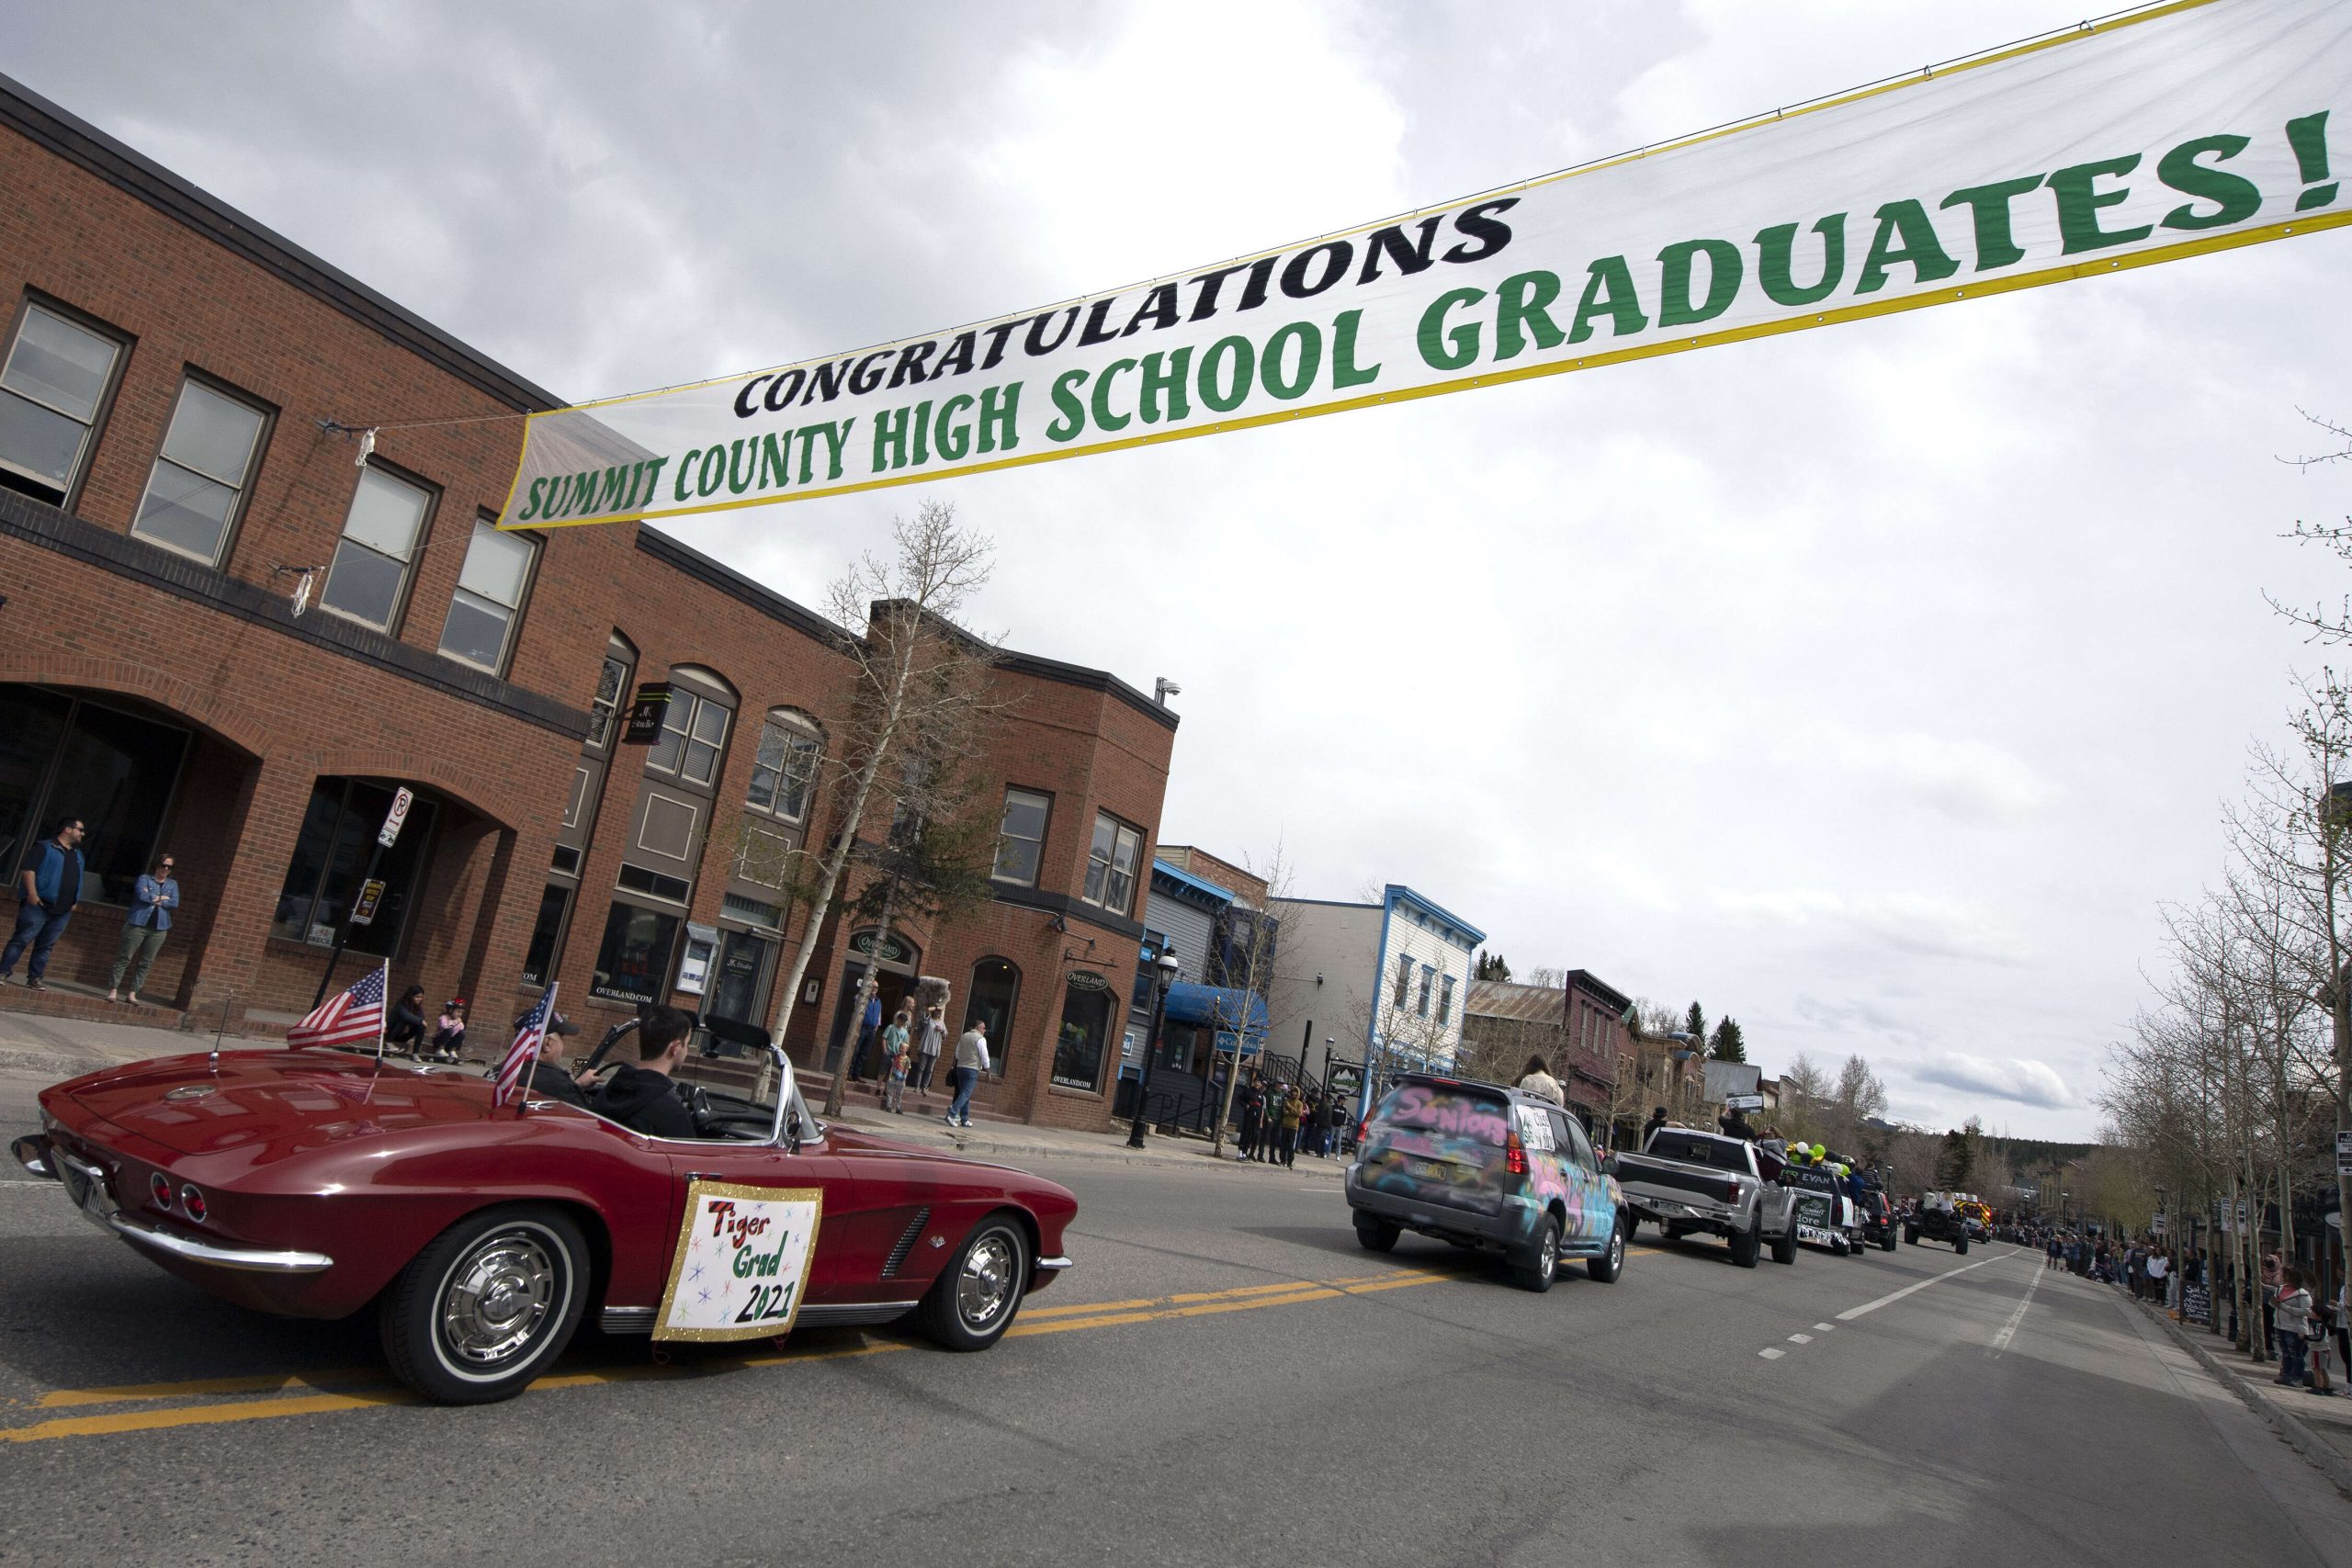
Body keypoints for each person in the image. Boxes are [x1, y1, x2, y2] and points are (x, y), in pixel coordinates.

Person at [2, 816, 85, 991]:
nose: (82, 834)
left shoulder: (77, 855)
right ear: (68, 829)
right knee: (20, 940)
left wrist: (75, 900)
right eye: (80, 830)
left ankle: (35, 978)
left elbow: (78, 879)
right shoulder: (45, 847)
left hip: (62, 910)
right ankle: (2, 972)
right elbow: (28, 870)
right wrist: (32, 894)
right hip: (39, 905)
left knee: (46, 946)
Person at [591, 1004, 698, 1138]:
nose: (686, 1051)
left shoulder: (607, 1093)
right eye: (686, 1044)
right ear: (675, 1047)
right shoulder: (672, 1114)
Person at [106, 852, 178, 1004]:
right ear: (157, 865)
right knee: (125, 957)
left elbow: (174, 903)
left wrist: (155, 898)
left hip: (159, 928)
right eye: (163, 865)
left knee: (146, 962)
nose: (165, 869)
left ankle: (133, 993)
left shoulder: (172, 884)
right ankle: (113, 989)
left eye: (169, 867)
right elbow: (141, 896)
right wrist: (163, 898)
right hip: (137, 924)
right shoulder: (144, 879)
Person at [520, 1013, 590, 1109]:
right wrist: (572, 1088)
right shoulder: (559, 1084)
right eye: (561, 1037)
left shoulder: (503, 1071)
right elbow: (586, 1119)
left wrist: (577, 1084)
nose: (563, 1044)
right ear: (547, 1043)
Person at [945, 1017, 989, 1128]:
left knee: (965, 1093)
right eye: (984, 1028)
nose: (985, 1030)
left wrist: (959, 1062)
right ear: (979, 1028)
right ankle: (952, 1113)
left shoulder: (964, 1036)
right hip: (972, 1069)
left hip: (960, 1067)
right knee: (966, 1093)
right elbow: (984, 1055)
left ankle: (964, 1119)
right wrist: (987, 1070)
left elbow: (957, 1053)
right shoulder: (980, 1039)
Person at [2276, 1266, 2314, 1390]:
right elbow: (2276, 1304)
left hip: (2295, 1328)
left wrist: (2285, 1307)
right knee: (2285, 1352)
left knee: (2296, 1353)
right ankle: (2285, 1375)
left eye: (2286, 1275)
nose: (2283, 1277)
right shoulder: (2281, 1289)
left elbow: (2307, 1312)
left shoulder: (2302, 1294)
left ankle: (2297, 1378)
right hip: (2281, 1324)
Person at [879, 1005, 912, 1113]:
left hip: (898, 1055)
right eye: (901, 1020)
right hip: (889, 1051)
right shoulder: (891, 1027)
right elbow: (884, 1038)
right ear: (898, 1019)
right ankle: (878, 1089)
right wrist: (885, 1050)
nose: (902, 1022)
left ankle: (887, 1093)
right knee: (883, 1071)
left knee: (892, 1072)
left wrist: (903, 1052)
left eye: (904, 1021)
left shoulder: (905, 1032)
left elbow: (906, 1043)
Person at [911, 1004, 946, 1102]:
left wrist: (942, 1030)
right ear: (934, 1011)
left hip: (934, 1049)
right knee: (921, 1068)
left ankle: (924, 1087)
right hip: (925, 1047)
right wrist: (935, 1007)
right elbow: (924, 1014)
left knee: (930, 1069)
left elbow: (945, 1036)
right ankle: (917, 1086)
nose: (938, 1012)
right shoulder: (928, 1021)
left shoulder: (942, 1023)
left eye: (940, 1011)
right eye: (937, 1011)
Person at [385, 985, 428, 1055]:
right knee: (404, 1019)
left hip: (401, 1035)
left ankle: (415, 1053)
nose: (420, 999)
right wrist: (421, 1021)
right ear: (411, 996)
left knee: (421, 1026)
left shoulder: (417, 1007)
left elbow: (421, 1017)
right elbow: (406, 1016)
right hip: (390, 1032)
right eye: (417, 997)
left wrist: (421, 1022)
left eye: (421, 997)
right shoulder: (401, 1003)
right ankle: (388, 1042)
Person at [430, 998, 469, 1063]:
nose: (460, 1014)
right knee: (449, 1030)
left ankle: (452, 1050)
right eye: (458, 1011)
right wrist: (455, 1021)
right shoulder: (443, 1017)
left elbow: (459, 1036)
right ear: (451, 1010)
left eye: (461, 1012)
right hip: (438, 1041)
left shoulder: (460, 1023)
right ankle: (440, 1049)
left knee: (462, 1033)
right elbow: (444, 1026)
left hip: (449, 1043)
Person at [1279, 1086, 1305, 1168]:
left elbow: (1298, 1114)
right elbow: (1284, 1112)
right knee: (1283, 1144)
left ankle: (1290, 1162)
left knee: (1290, 1145)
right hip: (1285, 1125)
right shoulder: (1287, 1101)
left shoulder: (1299, 1103)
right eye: (1292, 1091)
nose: (1293, 1093)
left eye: (1295, 1092)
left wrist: (1290, 1108)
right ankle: (1282, 1160)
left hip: (1293, 1127)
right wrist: (1292, 1112)